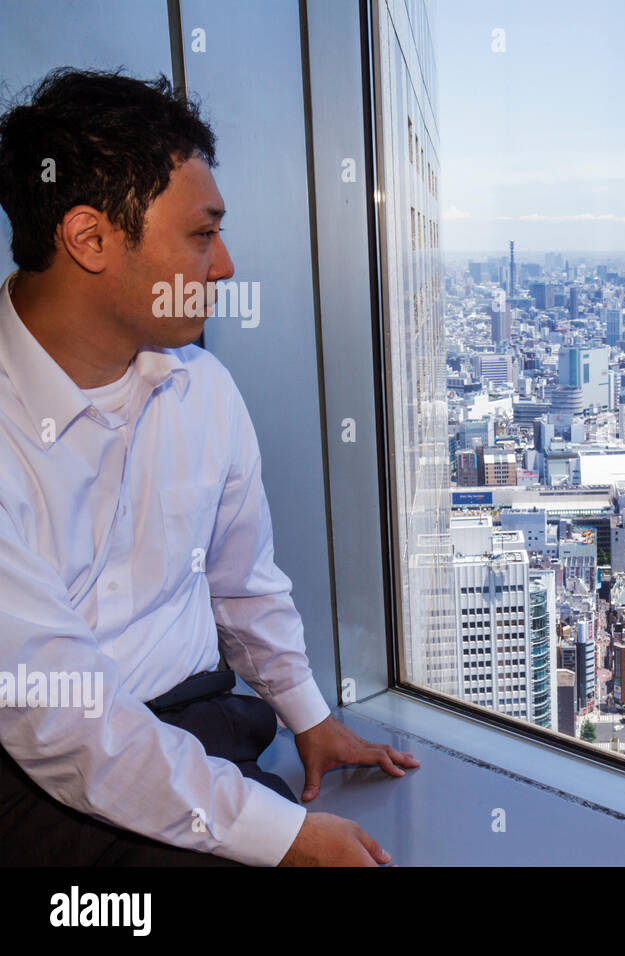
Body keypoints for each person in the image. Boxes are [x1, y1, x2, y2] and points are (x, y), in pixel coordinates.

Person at [0, 68, 417, 866]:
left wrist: (309, 718)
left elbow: (240, 580)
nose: (223, 265)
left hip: (200, 720)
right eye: (201, 233)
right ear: (90, 239)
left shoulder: (204, 388)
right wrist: (283, 835)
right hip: (35, 766)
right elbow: (62, 718)